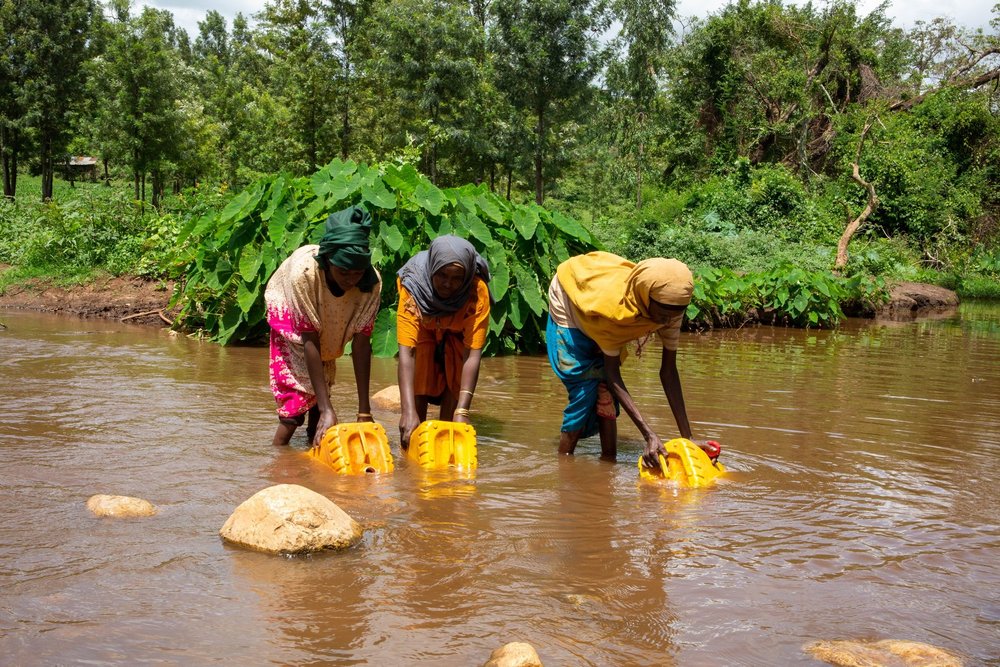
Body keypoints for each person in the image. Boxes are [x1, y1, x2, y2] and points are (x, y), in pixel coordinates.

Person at [546, 250, 698, 467]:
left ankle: (608, 462)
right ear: (645, 298)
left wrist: (688, 438)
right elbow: (612, 374)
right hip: (570, 295)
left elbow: (668, 372)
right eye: (663, 315)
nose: (667, 321)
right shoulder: (617, 312)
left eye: (674, 315)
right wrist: (648, 434)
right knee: (584, 390)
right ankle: (564, 464)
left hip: (602, 297)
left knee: (606, 393)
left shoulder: (670, 309)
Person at [264, 205, 381, 447]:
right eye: (344, 272)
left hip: (332, 326)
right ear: (327, 262)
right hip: (294, 327)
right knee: (293, 410)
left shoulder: (372, 284)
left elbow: (361, 345)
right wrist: (328, 408)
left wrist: (364, 411)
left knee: (319, 406)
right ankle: (277, 461)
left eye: (357, 273)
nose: (351, 280)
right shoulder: (304, 274)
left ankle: (313, 456)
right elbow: (309, 339)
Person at [396, 235, 492, 447]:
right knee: (421, 371)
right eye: (441, 275)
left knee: (456, 375)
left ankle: (446, 439)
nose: (448, 284)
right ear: (432, 269)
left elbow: (472, 353)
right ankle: (413, 438)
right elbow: (407, 351)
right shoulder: (412, 285)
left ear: (466, 277)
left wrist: (463, 411)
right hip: (425, 324)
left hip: (459, 331)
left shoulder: (476, 292)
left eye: (457, 278)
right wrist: (407, 411)